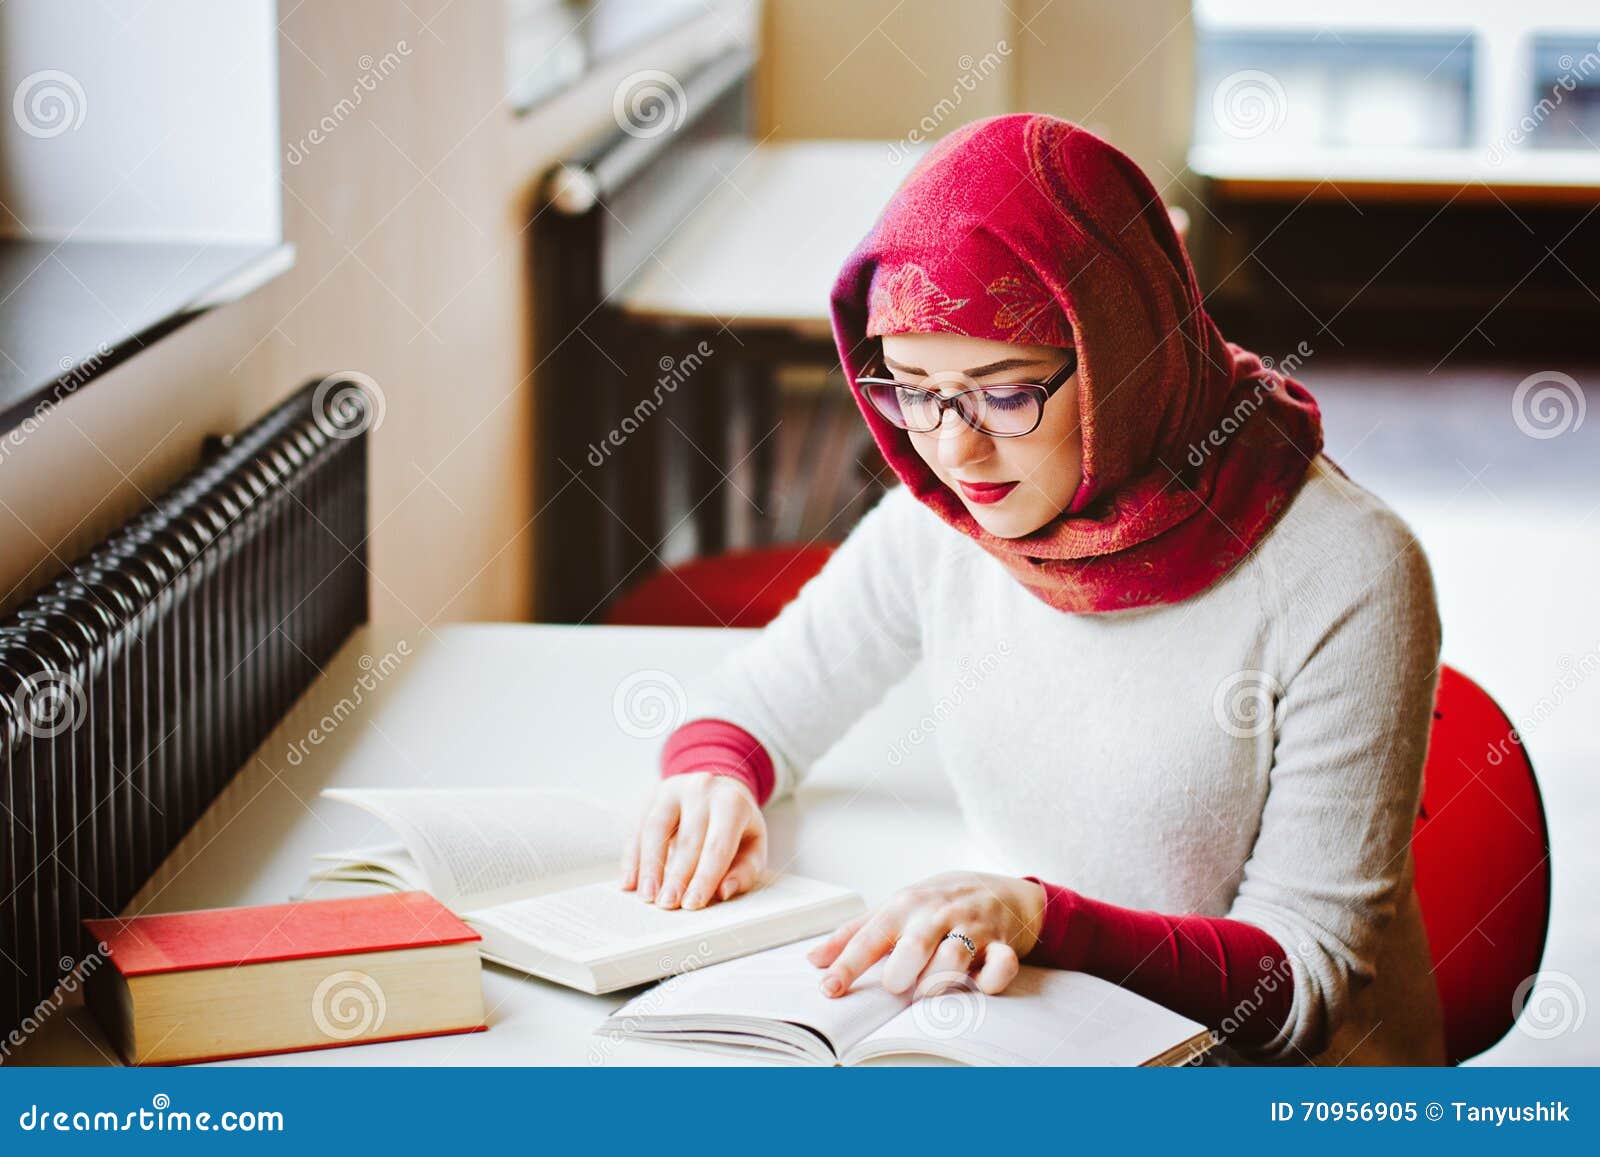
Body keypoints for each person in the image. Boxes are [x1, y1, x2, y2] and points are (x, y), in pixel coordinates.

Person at [619, 114, 1446, 1066]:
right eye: (913, 390)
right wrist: (713, 776)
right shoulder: (957, 514)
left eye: (1005, 393)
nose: (955, 450)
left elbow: (1301, 982)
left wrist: (1043, 918)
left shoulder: (1348, 567)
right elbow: (756, 703)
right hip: (1038, 1032)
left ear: (1118, 353)